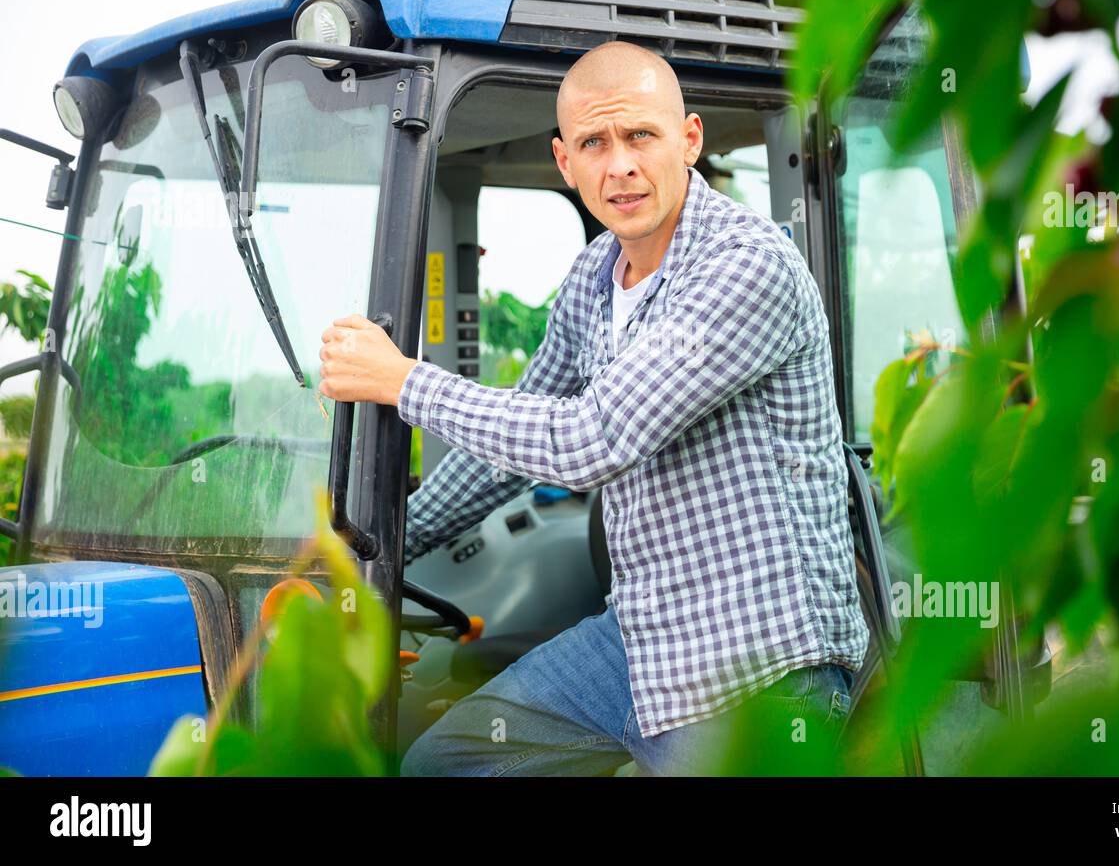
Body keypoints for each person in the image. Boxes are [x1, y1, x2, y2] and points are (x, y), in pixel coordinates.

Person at [318, 41, 868, 775]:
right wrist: (365, 552)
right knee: (444, 765)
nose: (621, 166)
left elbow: (594, 438)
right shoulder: (592, 277)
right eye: (594, 144)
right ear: (564, 162)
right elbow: (504, 447)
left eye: (641, 135)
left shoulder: (747, 265)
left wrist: (401, 381)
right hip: (641, 644)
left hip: (759, 666)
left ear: (690, 139)